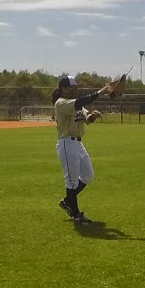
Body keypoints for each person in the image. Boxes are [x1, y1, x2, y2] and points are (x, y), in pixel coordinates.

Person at [52, 73, 123, 222]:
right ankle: (75, 213)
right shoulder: (61, 102)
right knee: (71, 182)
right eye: (71, 87)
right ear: (63, 89)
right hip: (66, 143)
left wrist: (93, 116)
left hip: (78, 144)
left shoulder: (76, 103)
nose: (74, 89)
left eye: (75, 87)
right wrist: (99, 92)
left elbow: (87, 118)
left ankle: (67, 201)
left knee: (87, 176)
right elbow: (79, 103)